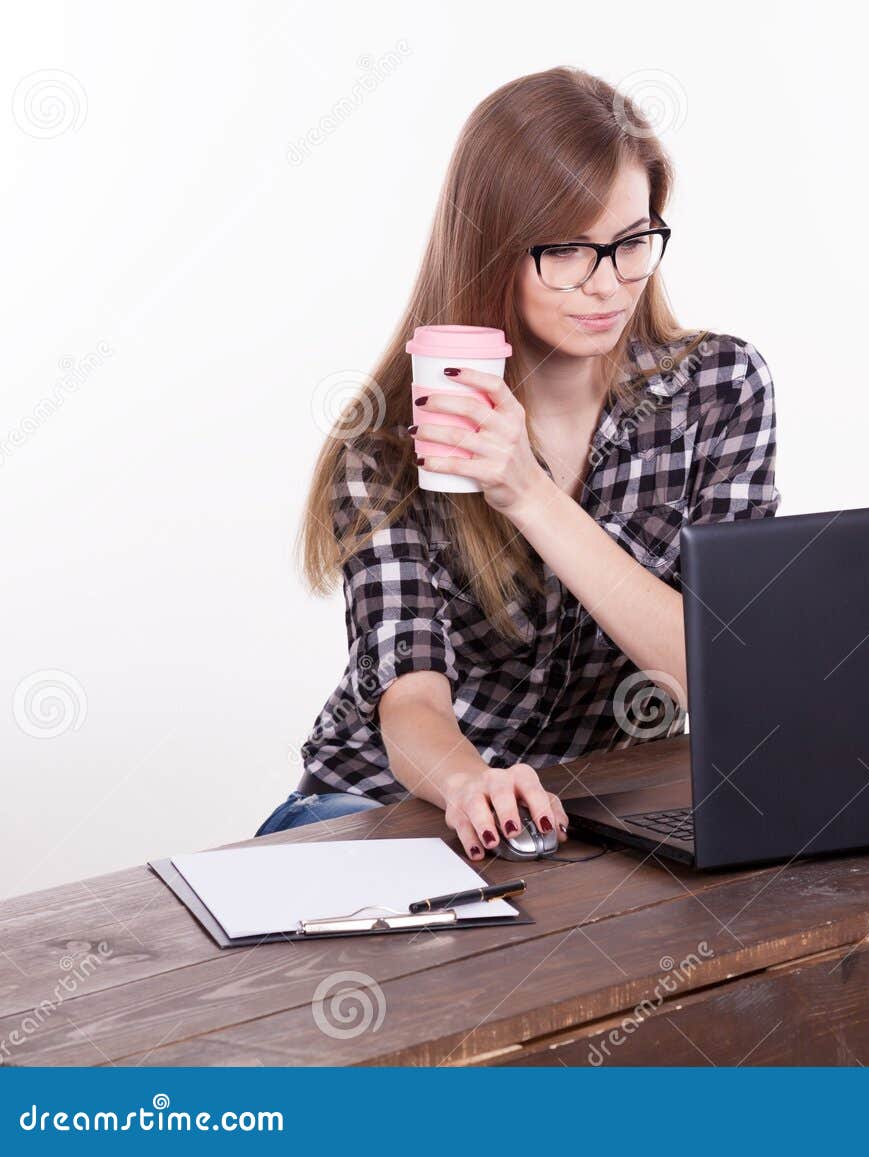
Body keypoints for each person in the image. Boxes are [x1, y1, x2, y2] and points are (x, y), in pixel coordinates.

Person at [257, 68, 778, 858]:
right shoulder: (389, 451)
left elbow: (724, 669)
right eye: (567, 249)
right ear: (495, 248)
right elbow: (410, 703)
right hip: (379, 814)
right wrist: (471, 783)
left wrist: (528, 492)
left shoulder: (719, 390)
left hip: (586, 817)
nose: (608, 284)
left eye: (632, 242)